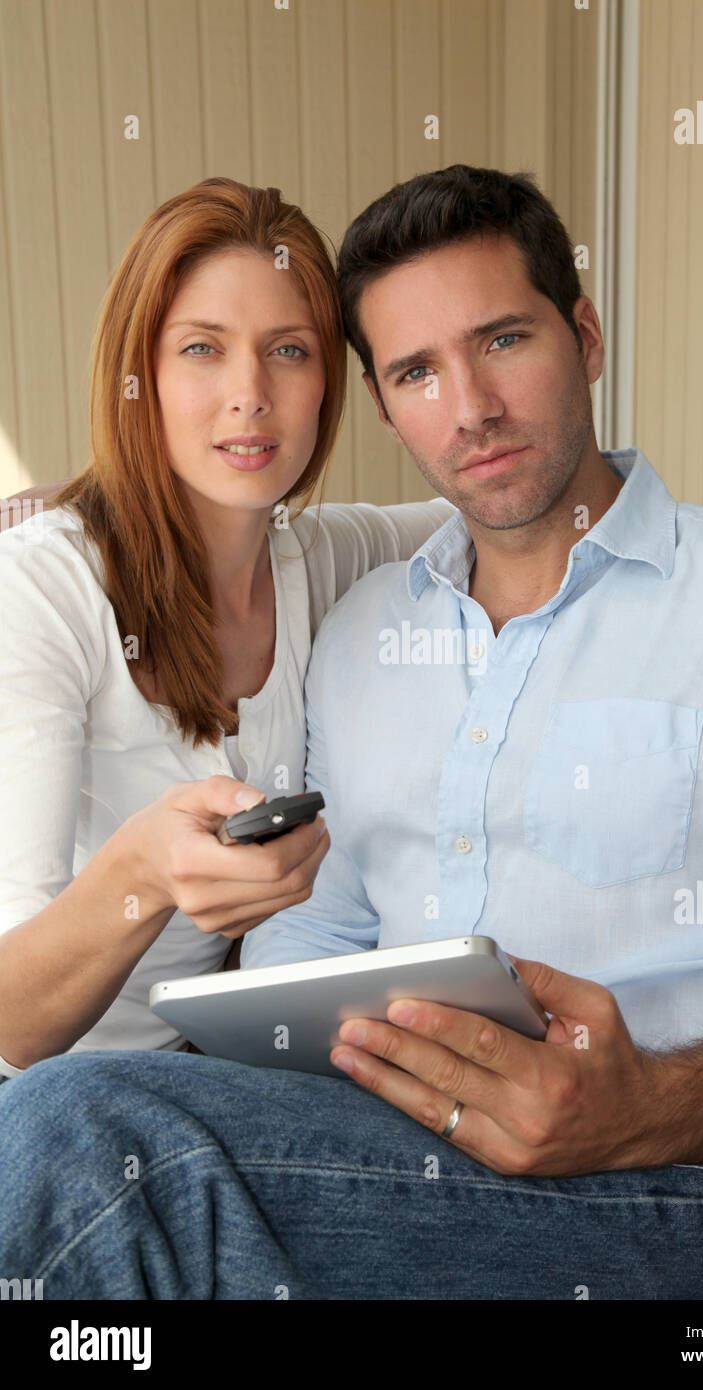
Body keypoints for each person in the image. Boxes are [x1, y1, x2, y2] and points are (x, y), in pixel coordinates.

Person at [1, 164, 703, 1301]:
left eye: (502, 341)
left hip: (692, 1188)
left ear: (585, 335)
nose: (468, 409)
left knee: (74, 1130)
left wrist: (642, 1103)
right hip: (392, 1168)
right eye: (415, 371)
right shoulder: (361, 635)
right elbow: (301, 962)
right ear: (381, 403)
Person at [0, 176, 452, 1077]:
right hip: (46, 1097)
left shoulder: (321, 559)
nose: (250, 394)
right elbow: (10, 1024)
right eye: (203, 348)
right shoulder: (40, 592)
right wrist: (142, 874)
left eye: (288, 351)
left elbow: (492, 509)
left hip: (208, 1074)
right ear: (140, 375)